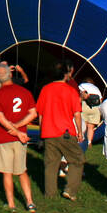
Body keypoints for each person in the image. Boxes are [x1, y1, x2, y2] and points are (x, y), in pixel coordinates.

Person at [0, 62, 37, 212]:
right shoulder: (25, 92)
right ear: (11, 74)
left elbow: (1, 118)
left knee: (7, 172)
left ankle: (11, 204)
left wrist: (14, 129)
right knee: (22, 171)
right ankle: (30, 202)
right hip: (20, 138)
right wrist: (18, 128)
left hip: (4, 137)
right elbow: (33, 114)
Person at [36, 62, 84, 200]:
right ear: (65, 74)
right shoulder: (71, 91)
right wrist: (80, 132)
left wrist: (41, 132)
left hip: (48, 131)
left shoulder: (46, 89)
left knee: (51, 164)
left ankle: (49, 194)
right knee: (77, 160)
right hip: (66, 131)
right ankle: (70, 190)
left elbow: (41, 114)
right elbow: (77, 113)